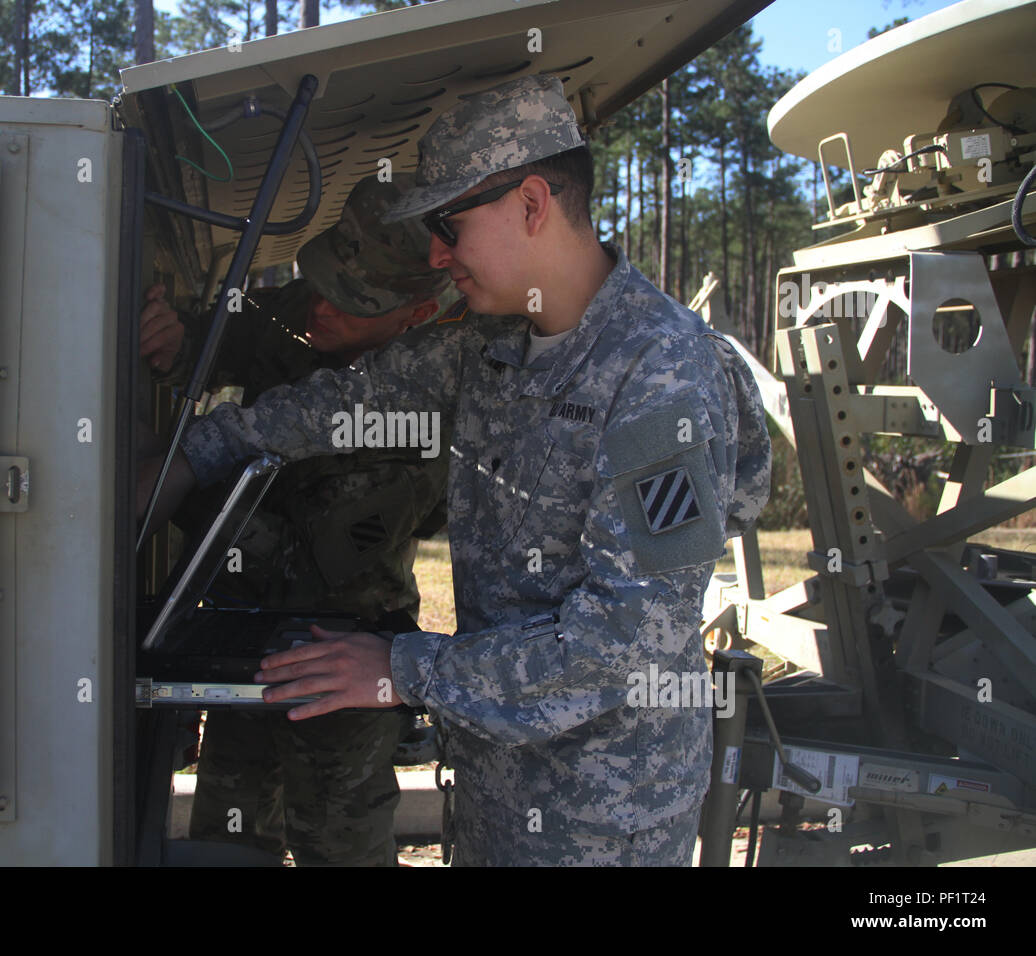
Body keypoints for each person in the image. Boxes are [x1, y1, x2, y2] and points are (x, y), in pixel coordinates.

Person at [158, 74, 771, 866]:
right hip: (495, 791)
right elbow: (337, 401)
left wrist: (404, 668)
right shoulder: (493, 345)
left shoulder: (664, 376)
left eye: (449, 225)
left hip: (600, 818)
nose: (439, 255)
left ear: (530, 204)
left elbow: (626, 641)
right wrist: (189, 458)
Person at [141, 174, 452, 866]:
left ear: (416, 315)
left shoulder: (428, 403)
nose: (319, 305)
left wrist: (186, 485)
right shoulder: (308, 307)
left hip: (343, 637)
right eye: (319, 281)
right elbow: (233, 338)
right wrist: (177, 344)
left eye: (347, 299)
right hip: (239, 625)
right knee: (228, 829)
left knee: (335, 842)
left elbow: (314, 549)